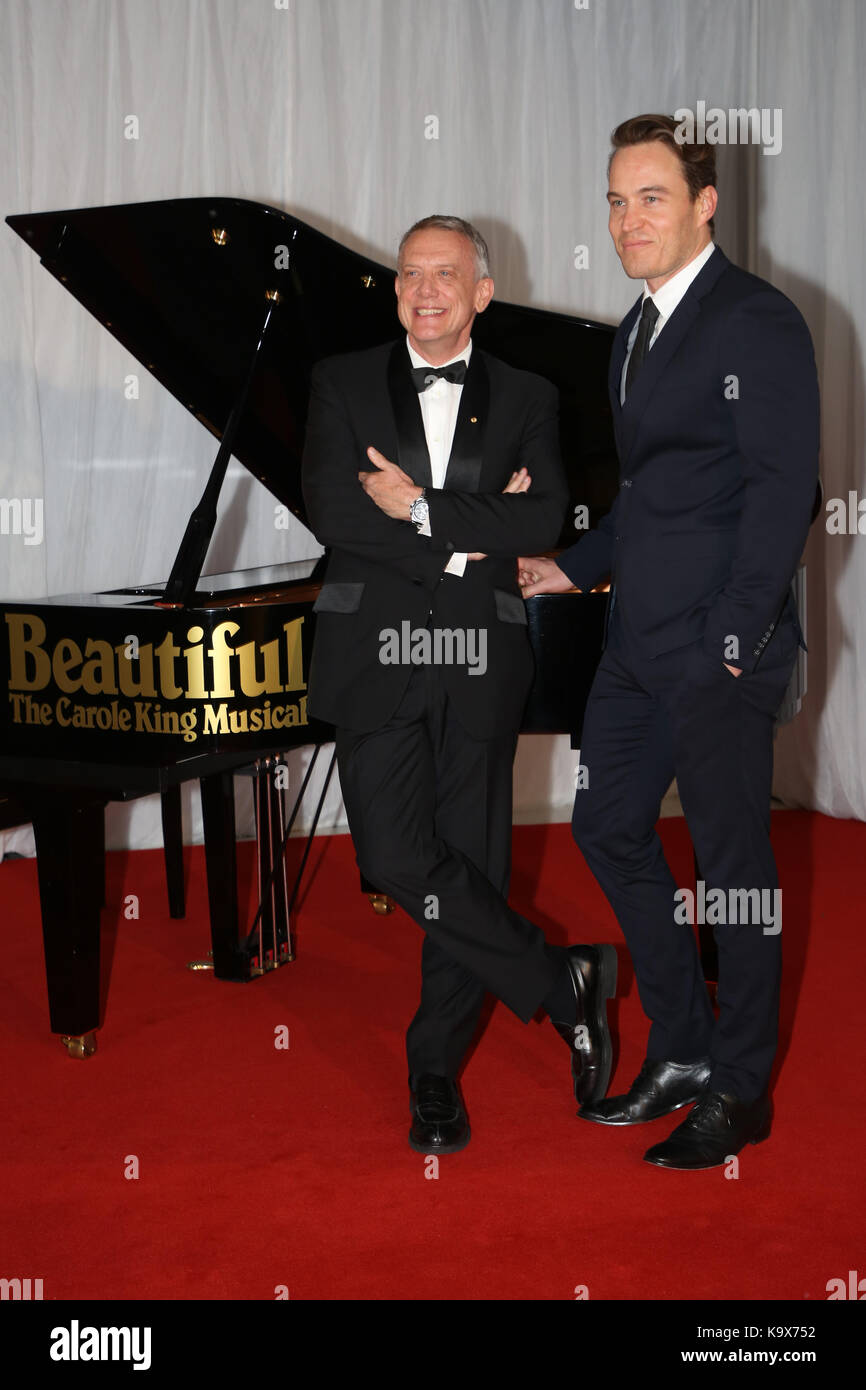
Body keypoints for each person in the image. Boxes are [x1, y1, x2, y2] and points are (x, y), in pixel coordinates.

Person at [520, 115, 820, 1169]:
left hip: (713, 651)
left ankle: (742, 1088)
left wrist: (733, 639)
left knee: (733, 868)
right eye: (612, 199)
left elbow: (786, 490)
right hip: (633, 641)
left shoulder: (756, 320)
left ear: (704, 202)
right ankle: (683, 1046)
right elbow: (650, 493)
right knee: (605, 825)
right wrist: (576, 562)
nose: (625, 219)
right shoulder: (631, 330)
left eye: (649, 196)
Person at [301, 215, 617, 1155]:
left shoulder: (527, 393)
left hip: (481, 653)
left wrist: (425, 508)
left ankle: (432, 1072)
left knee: (470, 863)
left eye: (447, 274)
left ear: (483, 291)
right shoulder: (342, 382)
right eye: (410, 274)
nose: (426, 288)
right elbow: (331, 508)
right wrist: (479, 528)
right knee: (399, 858)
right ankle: (562, 980)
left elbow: (549, 515)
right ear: (395, 288)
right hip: (375, 652)